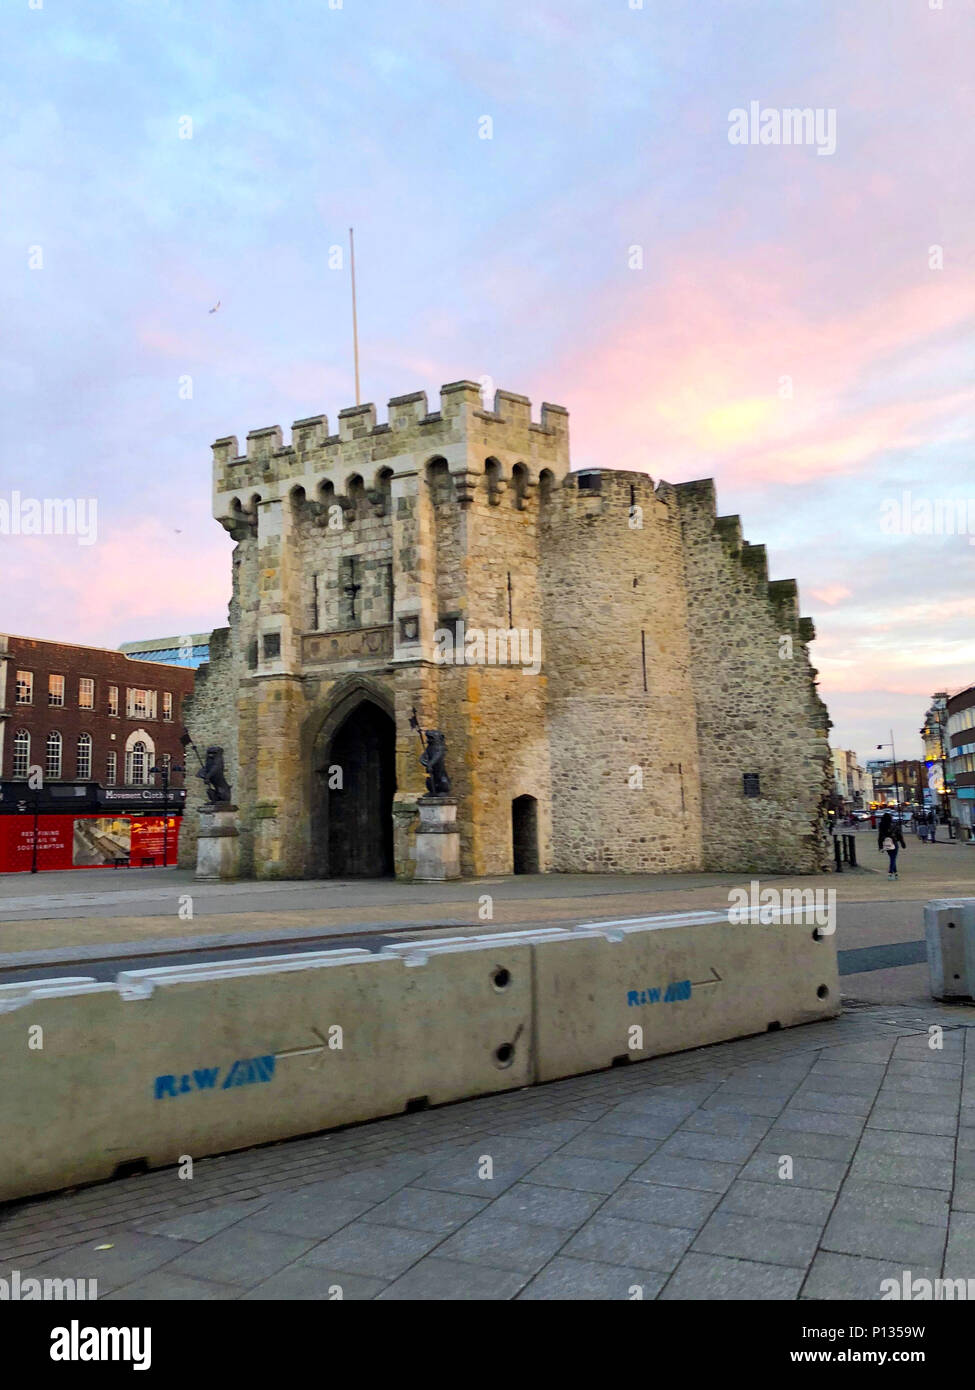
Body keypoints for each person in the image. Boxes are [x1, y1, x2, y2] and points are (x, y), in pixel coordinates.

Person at [878, 811, 905, 878]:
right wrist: (902, 842)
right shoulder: (894, 824)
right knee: (893, 858)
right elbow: (899, 834)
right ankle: (890, 872)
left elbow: (880, 836)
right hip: (894, 841)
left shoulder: (882, 825)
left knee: (892, 857)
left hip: (886, 842)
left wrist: (880, 846)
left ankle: (895, 873)